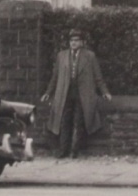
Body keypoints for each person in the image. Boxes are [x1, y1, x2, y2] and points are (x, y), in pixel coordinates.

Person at [40, 28, 112, 158]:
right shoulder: (61, 56)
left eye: (77, 40)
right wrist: (48, 93)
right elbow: (55, 77)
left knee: (79, 122)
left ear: (82, 42)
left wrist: (105, 92)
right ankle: (63, 150)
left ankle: (74, 151)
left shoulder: (90, 56)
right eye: (71, 40)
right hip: (65, 93)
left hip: (82, 94)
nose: (73, 43)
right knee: (64, 121)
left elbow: (98, 77)